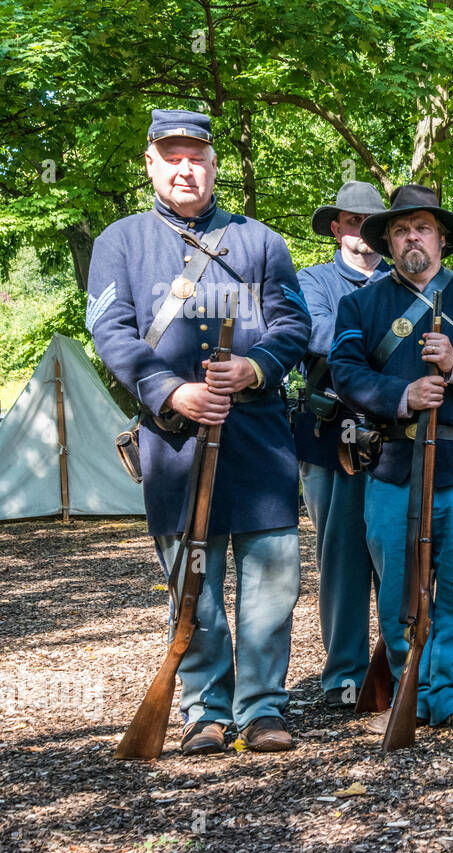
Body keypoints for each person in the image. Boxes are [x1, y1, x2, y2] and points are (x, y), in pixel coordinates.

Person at [88, 109, 310, 755]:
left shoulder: (261, 241)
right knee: (195, 586)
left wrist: (255, 366)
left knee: (271, 584)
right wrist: (170, 390)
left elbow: (292, 327)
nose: (186, 168)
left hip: (259, 439)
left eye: (197, 157)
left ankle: (264, 707)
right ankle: (204, 708)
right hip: (176, 442)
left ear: (215, 166)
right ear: (151, 164)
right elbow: (112, 331)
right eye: (172, 156)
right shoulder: (121, 241)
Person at [330, 184, 453, 734]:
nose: (413, 237)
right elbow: (344, 372)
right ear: (388, 241)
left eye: (423, 228)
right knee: (397, 587)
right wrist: (402, 395)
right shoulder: (359, 303)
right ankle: (409, 681)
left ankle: (452, 693)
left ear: (441, 238)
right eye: (401, 230)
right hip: (393, 461)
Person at [295, 181, 390, 709]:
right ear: (336, 227)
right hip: (332, 437)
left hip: (394, 436)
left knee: (396, 555)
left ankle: (397, 664)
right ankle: (345, 675)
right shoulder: (313, 280)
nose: (362, 233)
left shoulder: (402, 281)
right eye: (352, 222)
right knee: (342, 559)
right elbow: (318, 335)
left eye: (370, 223)